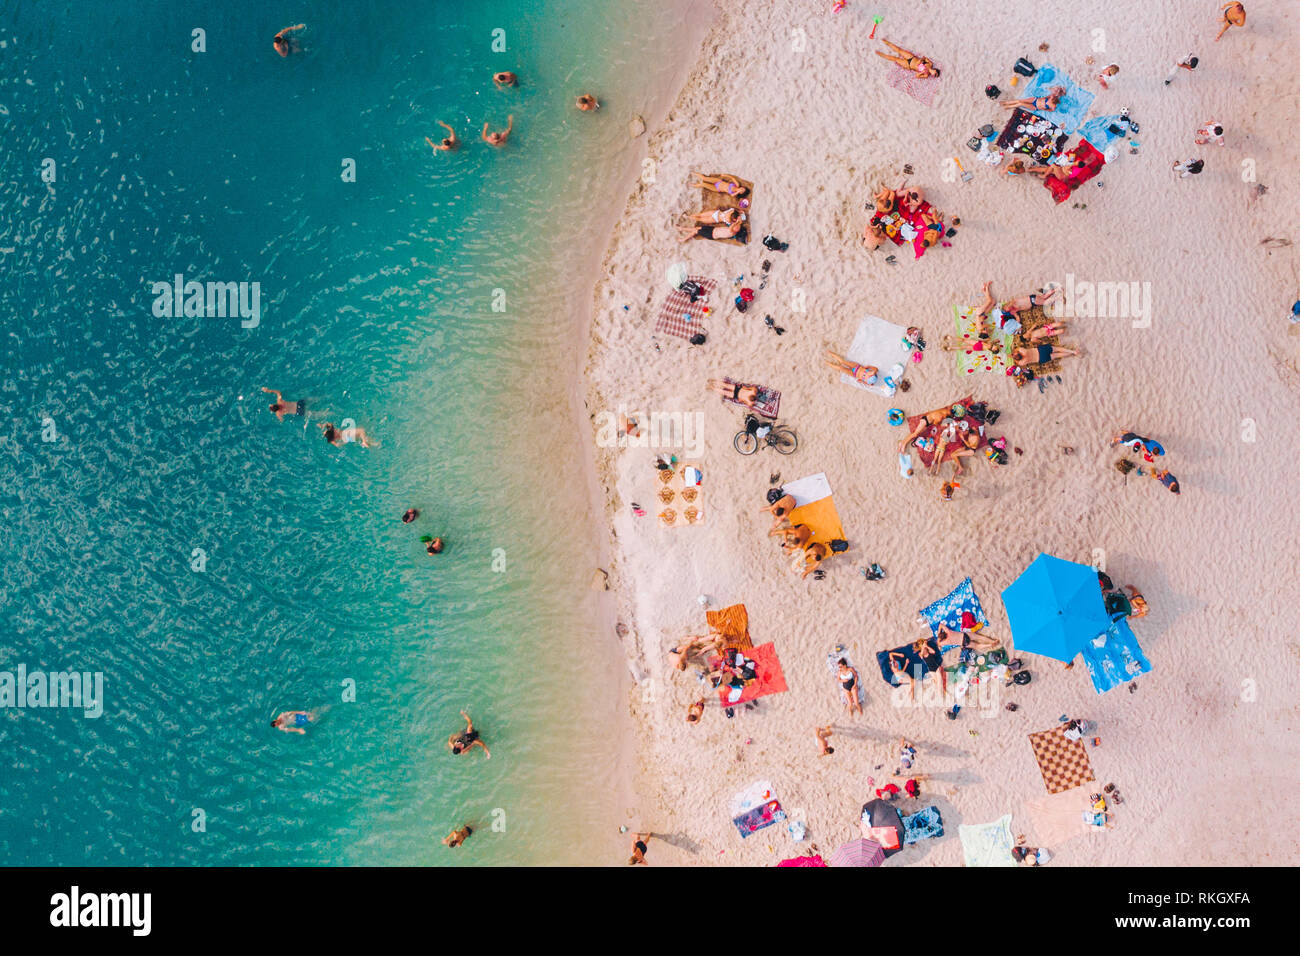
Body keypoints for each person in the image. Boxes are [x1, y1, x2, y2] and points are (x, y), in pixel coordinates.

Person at [874, 38, 940, 77]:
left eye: (934, 76)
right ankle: (887, 42)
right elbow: (925, 58)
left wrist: (922, 72)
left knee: (895, 59)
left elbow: (917, 76)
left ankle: (881, 54)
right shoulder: (930, 64)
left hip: (908, 65)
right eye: (935, 74)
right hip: (912, 58)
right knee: (899, 50)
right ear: (935, 70)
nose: (934, 75)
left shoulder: (926, 75)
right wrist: (921, 60)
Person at [999, 86, 1066, 111]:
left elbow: (1049, 110)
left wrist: (1043, 108)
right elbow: (1051, 92)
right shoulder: (1052, 97)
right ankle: (1006, 103)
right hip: (1035, 99)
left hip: (1035, 107)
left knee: (1021, 103)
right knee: (1020, 101)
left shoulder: (1053, 106)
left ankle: (1008, 106)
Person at [1011, 344, 1080, 367]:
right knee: (1057, 349)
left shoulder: (1021, 362)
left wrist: (1014, 358)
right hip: (1040, 351)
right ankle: (1073, 351)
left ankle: (1072, 354)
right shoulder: (1022, 351)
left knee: (1058, 355)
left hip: (1041, 358)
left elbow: (1017, 362)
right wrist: (1013, 354)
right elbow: (1016, 349)